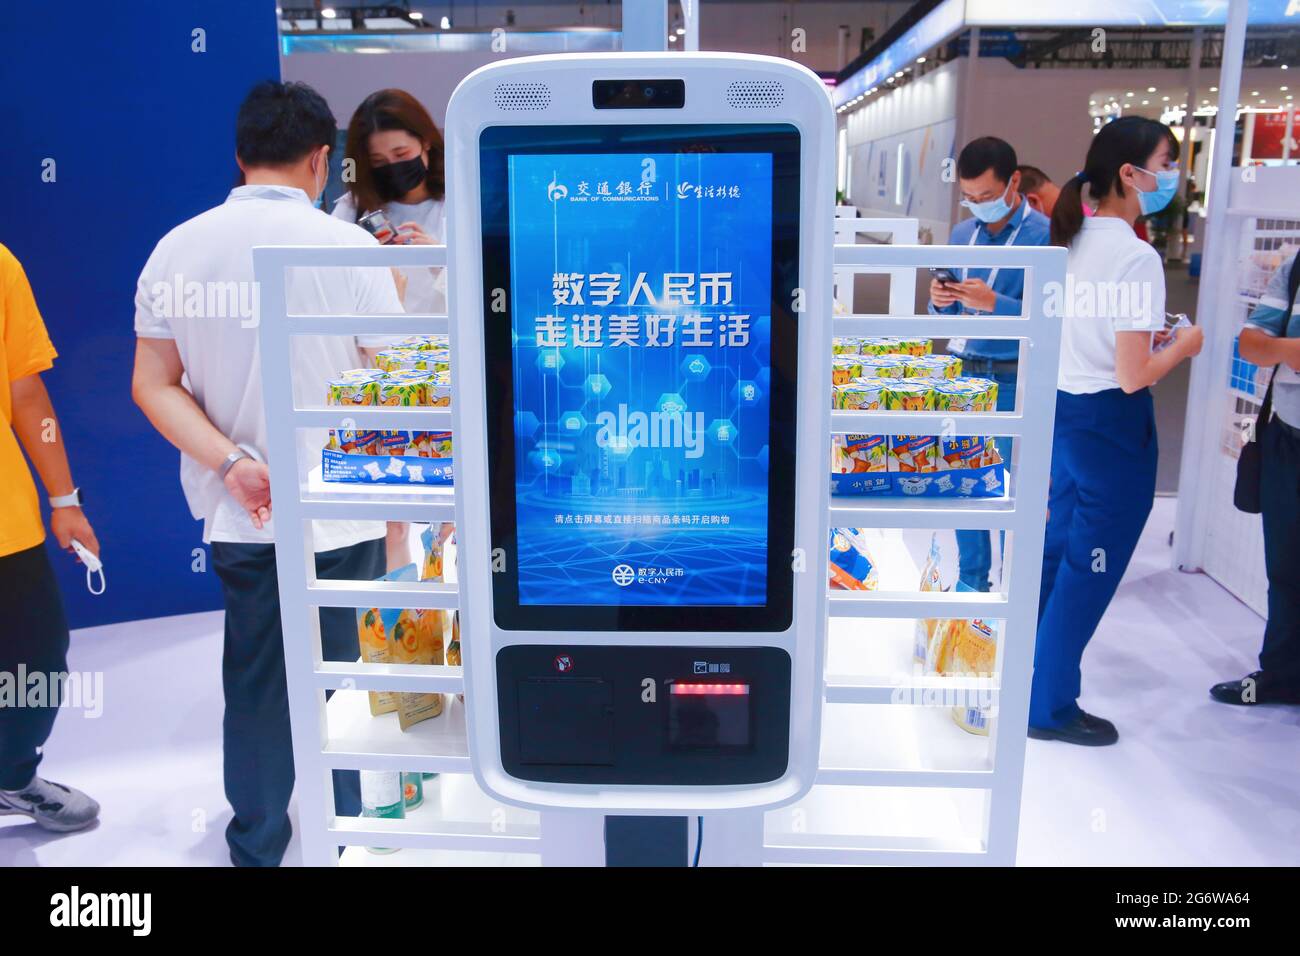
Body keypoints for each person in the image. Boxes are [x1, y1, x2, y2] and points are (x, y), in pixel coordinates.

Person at [131, 81, 402, 865]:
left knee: (255, 687)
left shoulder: (176, 248)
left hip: (239, 511)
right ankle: (346, 832)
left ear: (240, 154)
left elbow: (153, 383)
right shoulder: (347, 247)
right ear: (322, 158)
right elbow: (389, 388)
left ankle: (258, 843)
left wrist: (234, 464)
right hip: (340, 509)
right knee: (345, 682)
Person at [1032, 116, 1204, 745]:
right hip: (1112, 428)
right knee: (1090, 571)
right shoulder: (1134, 256)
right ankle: (1047, 707)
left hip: (1068, 417)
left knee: (1057, 559)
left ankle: (1031, 681)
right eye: (1166, 160)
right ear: (1130, 174)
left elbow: (1081, 342)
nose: (1172, 175)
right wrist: (1185, 344)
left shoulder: (1068, 246)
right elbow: (1134, 375)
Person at [0, 243, 102, 832]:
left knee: (36, 662)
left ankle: (11, 775)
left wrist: (65, 500)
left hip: (5, 521)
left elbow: (25, 391)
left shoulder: (2, 265)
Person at [332, 88, 448, 570]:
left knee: (451, 505)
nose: (394, 167)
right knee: (391, 513)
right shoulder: (349, 213)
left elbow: (495, 289)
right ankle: (402, 621)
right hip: (382, 378)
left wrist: (440, 258)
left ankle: (457, 623)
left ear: (426, 145)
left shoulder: (461, 200)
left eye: (401, 154)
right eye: (378, 160)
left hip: (445, 374)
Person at [929, 137, 1050, 592]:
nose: (976, 205)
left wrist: (993, 302)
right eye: (968, 197)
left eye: (985, 196)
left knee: (1009, 491)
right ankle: (972, 584)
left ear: (1013, 182)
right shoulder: (962, 234)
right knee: (966, 483)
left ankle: (1017, 591)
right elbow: (949, 311)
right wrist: (941, 300)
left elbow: (1051, 317)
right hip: (963, 369)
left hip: (1013, 374)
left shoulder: (1044, 235)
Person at [1211, 252, 1300, 706]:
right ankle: (1282, 673)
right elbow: (1250, 345)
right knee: (1285, 566)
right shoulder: (1296, 266)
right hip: (1288, 436)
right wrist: (1292, 350)